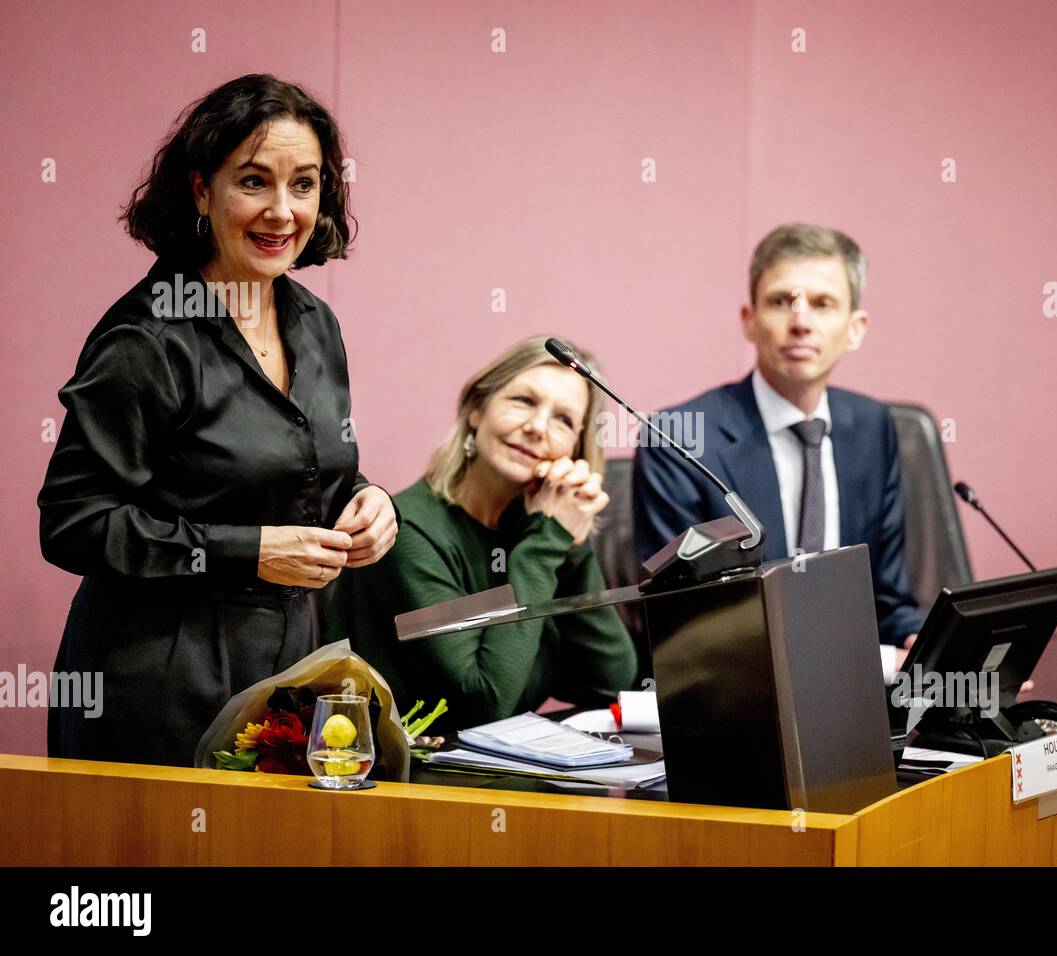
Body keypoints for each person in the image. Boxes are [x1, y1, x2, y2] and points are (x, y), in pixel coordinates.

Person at [38, 74, 397, 767]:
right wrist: (250, 550)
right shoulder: (146, 339)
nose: (283, 212)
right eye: (254, 182)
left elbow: (303, 470)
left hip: (287, 663)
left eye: (305, 184)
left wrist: (370, 502)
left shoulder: (314, 322)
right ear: (202, 190)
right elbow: (73, 524)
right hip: (157, 673)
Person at [632, 222, 923, 673]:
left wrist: (925, 643)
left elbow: (887, 597)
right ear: (748, 321)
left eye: (823, 304)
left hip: (857, 695)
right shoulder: (677, 437)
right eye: (781, 302)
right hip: (738, 693)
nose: (801, 321)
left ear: (855, 328)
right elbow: (684, 625)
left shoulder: (872, 427)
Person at [323, 336, 637, 731]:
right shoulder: (411, 532)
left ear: (576, 448)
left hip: (501, 777)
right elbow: (484, 700)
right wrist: (548, 540)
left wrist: (570, 545)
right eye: (523, 401)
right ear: (476, 409)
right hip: (403, 779)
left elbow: (611, 682)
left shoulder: (537, 530)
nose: (538, 427)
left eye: (563, 420)